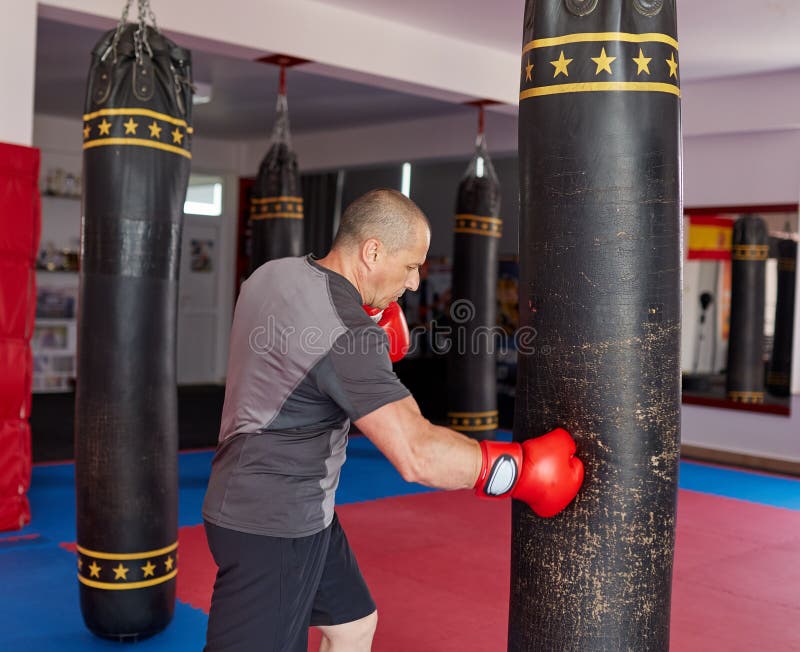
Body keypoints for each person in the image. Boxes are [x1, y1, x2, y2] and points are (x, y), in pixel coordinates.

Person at [201, 188, 585, 652]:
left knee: (353, 626)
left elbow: (294, 347)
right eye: (410, 266)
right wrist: (520, 472)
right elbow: (417, 454)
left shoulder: (271, 274)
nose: (415, 283)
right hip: (272, 522)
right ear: (372, 251)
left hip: (287, 503)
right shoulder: (348, 335)